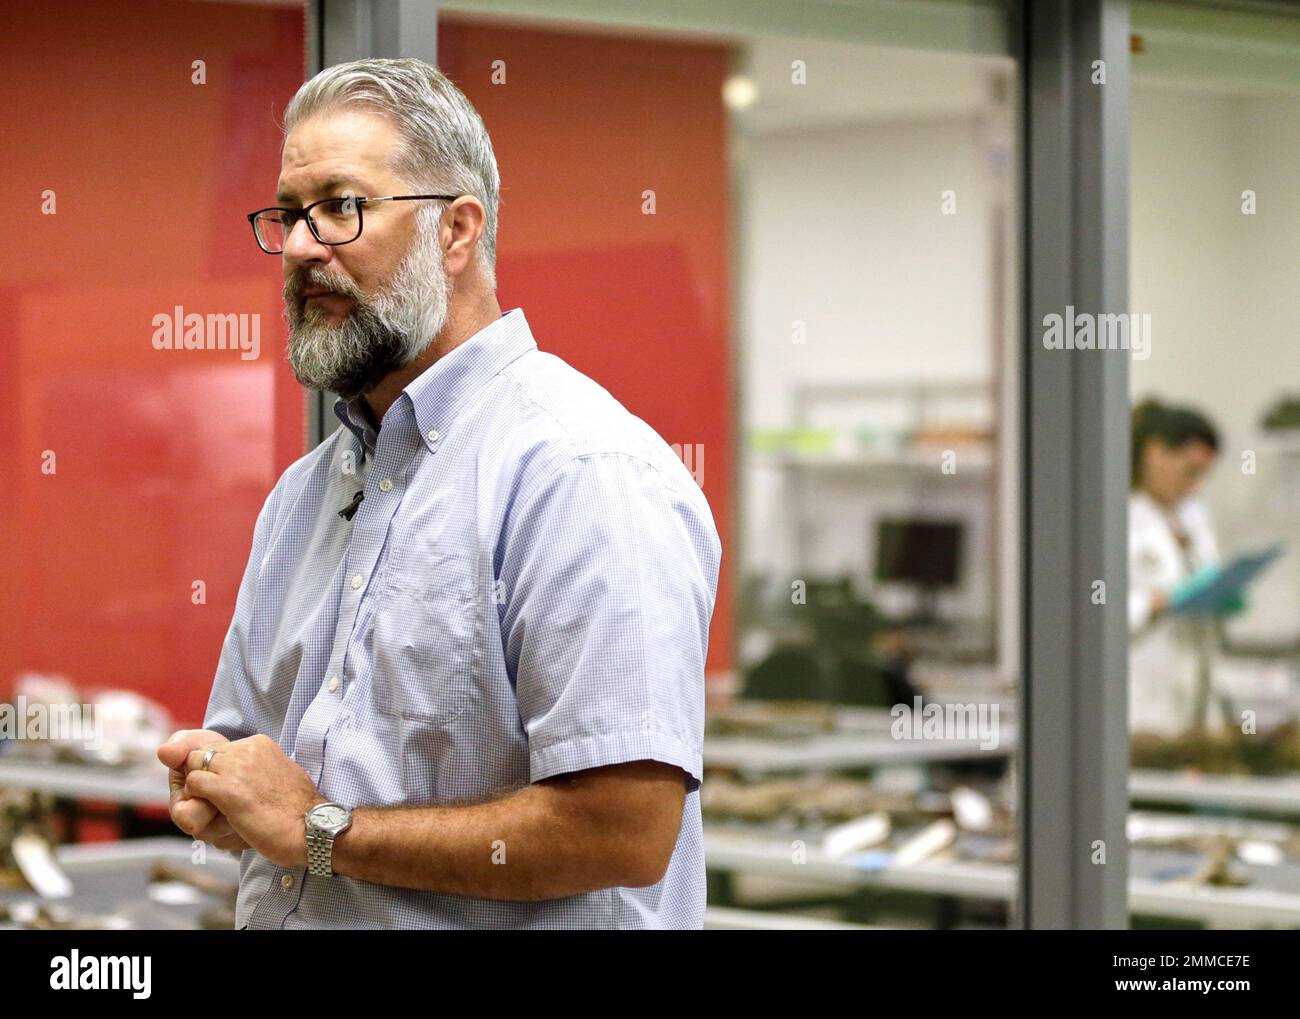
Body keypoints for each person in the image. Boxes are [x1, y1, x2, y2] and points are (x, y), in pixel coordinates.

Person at [155, 57, 721, 929]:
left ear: (456, 232)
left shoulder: (582, 474)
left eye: (341, 206)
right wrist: (220, 786)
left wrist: (315, 830)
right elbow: (254, 761)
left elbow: (623, 829)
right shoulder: (306, 495)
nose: (303, 247)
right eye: (289, 215)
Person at [1128, 397, 1232, 736]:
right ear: (1154, 453)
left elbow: (1208, 572)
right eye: (1191, 472)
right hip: (1143, 692)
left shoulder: (1194, 515)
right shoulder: (1118, 516)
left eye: (1203, 475)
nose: (1197, 485)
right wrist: (1154, 603)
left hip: (1195, 685)